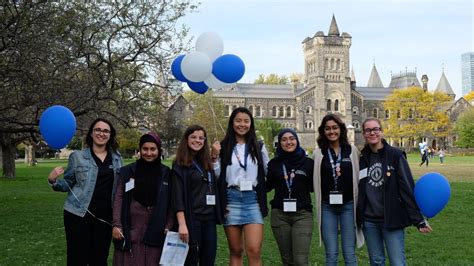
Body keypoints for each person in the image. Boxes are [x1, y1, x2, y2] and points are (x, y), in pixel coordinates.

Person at [47, 118, 123, 266]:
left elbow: (120, 188)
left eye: (106, 131)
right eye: (98, 130)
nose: (101, 133)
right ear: (92, 133)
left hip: (105, 217)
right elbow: (67, 184)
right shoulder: (77, 157)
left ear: (110, 135)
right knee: (77, 258)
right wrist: (53, 180)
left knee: (100, 259)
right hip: (77, 215)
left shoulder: (117, 158)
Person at [357, 118, 432, 266]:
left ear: (381, 132)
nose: (372, 133)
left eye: (376, 129)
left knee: (397, 262)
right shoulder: (362, 158)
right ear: (364, 134)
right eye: (368, 130)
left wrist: (418, 220)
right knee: (376, 261)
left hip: (391, 219)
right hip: (369, 221)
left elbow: (407, 188)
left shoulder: (395, 155)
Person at [211, 107, 270, 266]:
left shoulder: (259, 146)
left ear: (251, 123)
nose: (242, 124)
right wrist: (215, 157)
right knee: (236, 251)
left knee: (254, 250)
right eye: (238, 121)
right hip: (231, 200)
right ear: (232, 123)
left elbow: (268, 171)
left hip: (252, 201)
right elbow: (218, 176)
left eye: (246, 121)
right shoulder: (223, 146)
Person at [112, 132, 172, 265]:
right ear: (140, 150)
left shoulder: (166, 173)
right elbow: (118, 198)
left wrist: (168, 225)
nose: (149, 153)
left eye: (153, 149)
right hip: (132, 227)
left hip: (157, 227)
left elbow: (171, 202)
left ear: (159, 150)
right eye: (145, 149)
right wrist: (117, 225)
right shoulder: (127, 172)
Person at [313, 114, 364, 266]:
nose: (331, 131)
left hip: (348, 206)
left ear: (341, 129)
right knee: (331, 254)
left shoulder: (352, 151)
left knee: (349, 253)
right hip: (327, 207)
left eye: (335, 128)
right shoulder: (318, 153)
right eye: (327, 129)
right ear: (323, 131)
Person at [171, 125, 223, 266]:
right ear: (186, 140)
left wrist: (214, 156)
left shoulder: (205, 162)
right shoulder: (179, 164)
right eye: (193, 137)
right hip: (192, 219)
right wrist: (182, 224)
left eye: (201, 138)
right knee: (191, 260)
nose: (197, 140)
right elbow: (177, 196)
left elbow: (214, 184)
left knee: (208, 259)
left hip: (209, 219)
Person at [266, 128, 314, 265]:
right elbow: (268, 186)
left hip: (303, 214)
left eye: (292, 138)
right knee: (287, 260)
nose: (288, 142)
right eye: (284, 139)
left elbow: (313, 186)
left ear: (297, 141)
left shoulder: (308, 163)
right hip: (280, 215)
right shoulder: (273, 164)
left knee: (300, 260)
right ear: (280, 142)